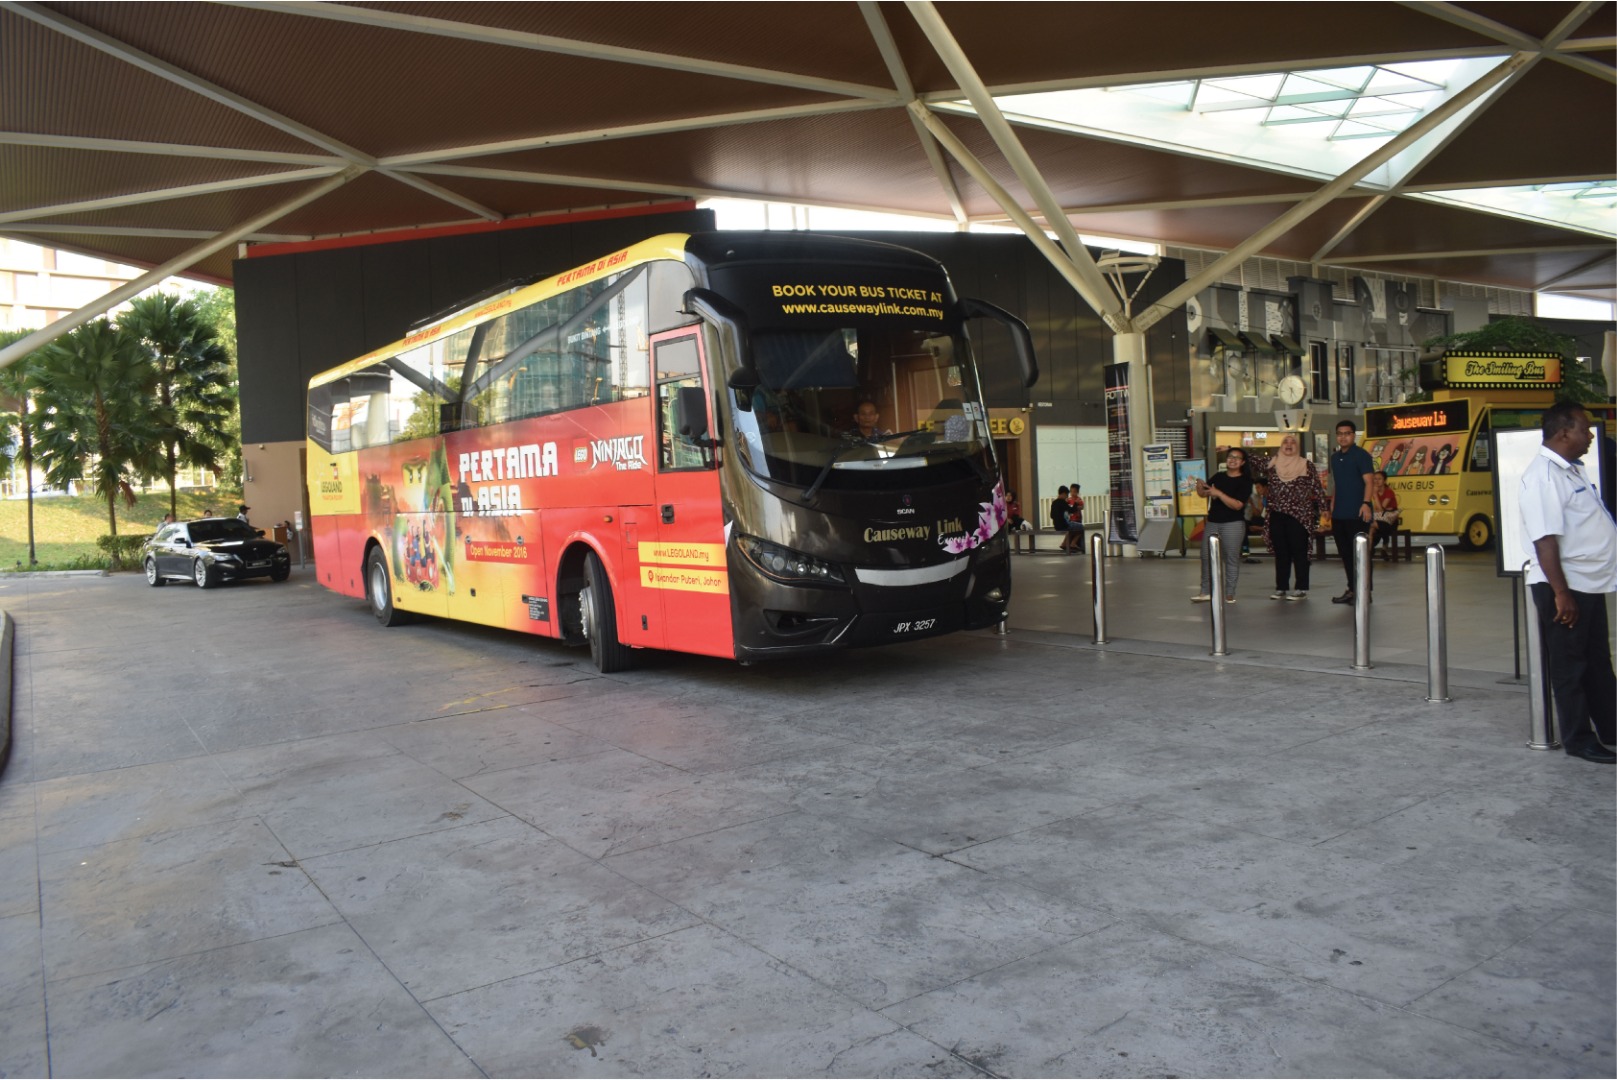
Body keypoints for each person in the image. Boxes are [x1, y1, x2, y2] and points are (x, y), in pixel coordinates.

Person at [1520, 401, 1616, 765]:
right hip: (1565, 587)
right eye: (1585, 428)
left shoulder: (1571, 470)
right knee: (1570, 664)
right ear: (1563, 432)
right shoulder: (1543, 476)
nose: (1591, 434)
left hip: (1587, 583)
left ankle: (1610, 727)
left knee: (1597, 660)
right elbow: (1545, 541)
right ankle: (1579, 739)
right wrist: (1562, 594)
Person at [1250, 434, 1322, 600]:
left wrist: (1324, 509)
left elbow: (1316, 487)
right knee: (1281, 552)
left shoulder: (1306, 465)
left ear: (1297, 446)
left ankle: (1301, 588)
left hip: (1299, 515)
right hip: (1277, 514)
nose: (1289, 445)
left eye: (1292, 442)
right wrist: (1233, 451)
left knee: (1299, 552)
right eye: (1285, 442)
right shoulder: (1273, 463)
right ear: (1280, 446)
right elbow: (1255, 461)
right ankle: (1281, 587)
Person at [1193, 448, 1252, 603]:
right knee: (1205, 556)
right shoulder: (1219, 476)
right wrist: (1200, 486)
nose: (1232, 460)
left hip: (1233, 524)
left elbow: (1237, 505)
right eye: (1230, 457)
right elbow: (1205, 493)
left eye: (1237, 458)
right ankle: (1205, 591)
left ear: (1243, 462)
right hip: (1213, 522)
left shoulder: (1245, 481)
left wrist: (1218, 493)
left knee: (1230, 558)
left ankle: (1229, 593)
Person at [1327, 419, 1375, 604]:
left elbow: (1369, 481)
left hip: (1358, 512)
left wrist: (1365, 503)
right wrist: (1332, 503)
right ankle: (1352, 589)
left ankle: (1365, 591)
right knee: (1346, 555)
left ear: (1353, 435)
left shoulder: (1361, 455)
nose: (1343, 436)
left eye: (1347, 433)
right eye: (1339, 433)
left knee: (1360, 554)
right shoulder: (1335, 457)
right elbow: (1338, 483)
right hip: (1339, 513)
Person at [1368, 470, 1401, 558]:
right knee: (1371, 528)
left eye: (1379, 479)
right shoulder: (1374, 493)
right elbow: (1376, 510)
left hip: (1390, 521)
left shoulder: (1388, 492)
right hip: (1379, 520)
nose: (1377, 481)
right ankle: (1370, 551)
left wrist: (1374, 494)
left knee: (1371, 524)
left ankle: (1382, 547)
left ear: (1385, 481)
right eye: (1375, 479)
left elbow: (1381, 510)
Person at [1050, 486, 1074, 553]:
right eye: (1067, 495)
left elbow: (1051, 515)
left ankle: (1064, 544)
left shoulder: (1054, 503)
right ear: (1063, 494)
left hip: (1056, 526)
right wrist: (1076, 504)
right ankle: (1073, 544)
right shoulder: (1062, 502)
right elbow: (1071, 510)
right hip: (1063, 525)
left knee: (1072, 528)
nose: (1067, 497)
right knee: (1080, 527)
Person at [1062, 483, 1086, 552]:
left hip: (1077, 518)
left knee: (1076, 531)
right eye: (1071, 491)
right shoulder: (1069, 499)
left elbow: (1082, 507)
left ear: (1077, 492)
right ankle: (1069, 543)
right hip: (1071, 519)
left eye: (1074, 492)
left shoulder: (1078, 499)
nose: (1073, 493)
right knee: (1072, 531)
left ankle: (1072, 544)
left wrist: (1075, 507)